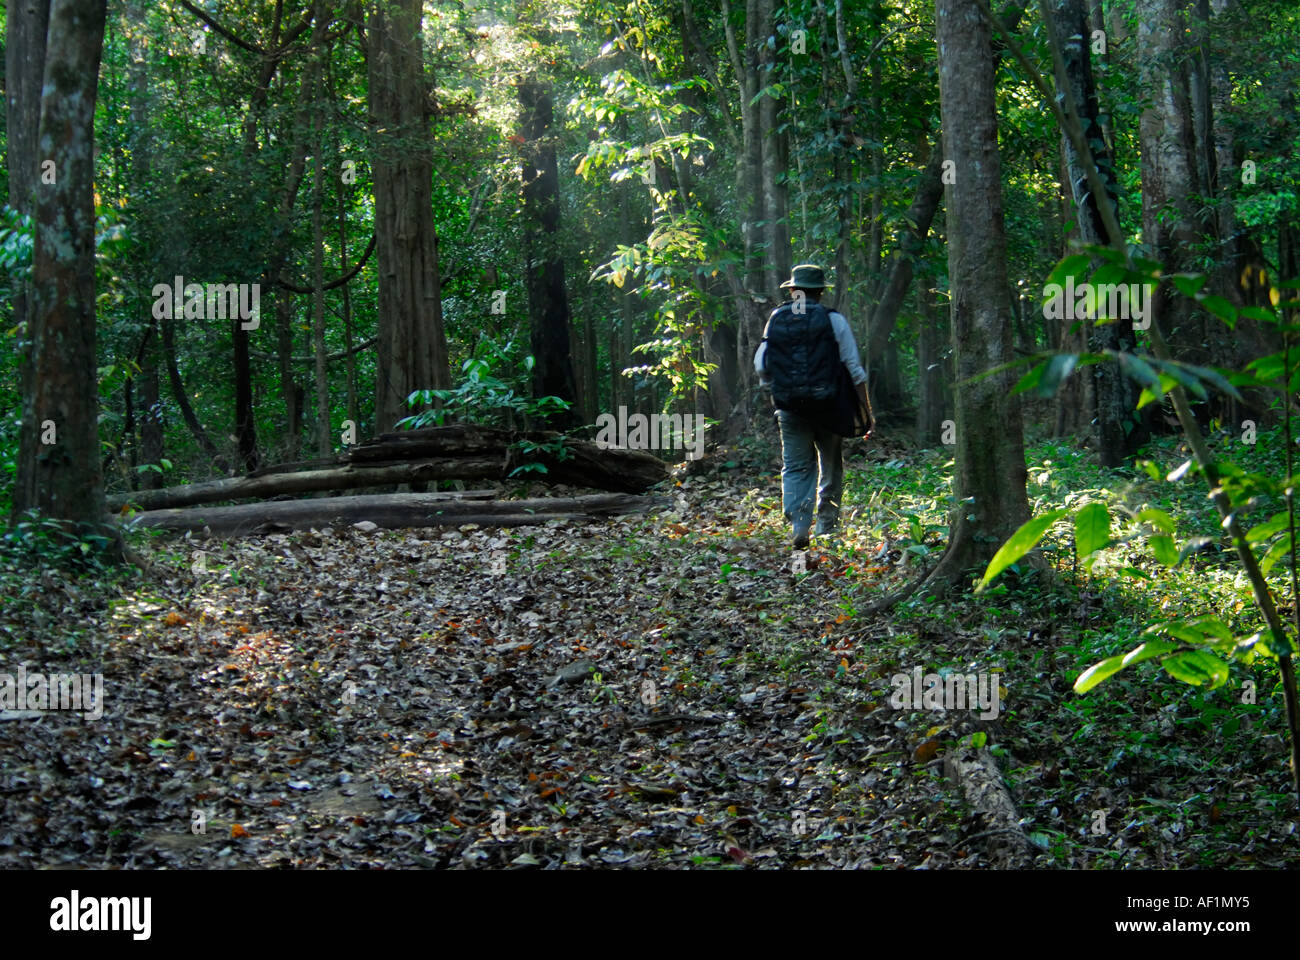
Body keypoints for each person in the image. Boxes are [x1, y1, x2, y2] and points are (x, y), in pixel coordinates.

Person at [754, 264, 875, 550]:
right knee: (830, 465)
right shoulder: (833, 320)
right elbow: (854, 369)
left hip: (789, 407)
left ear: (793, 290)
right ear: (820, 292)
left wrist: (777, 387)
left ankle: (799, 526)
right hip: (829, 405)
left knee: (796, 466)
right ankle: (827, 528)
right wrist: (866, 411)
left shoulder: (777, 317)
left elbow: (762, 364)